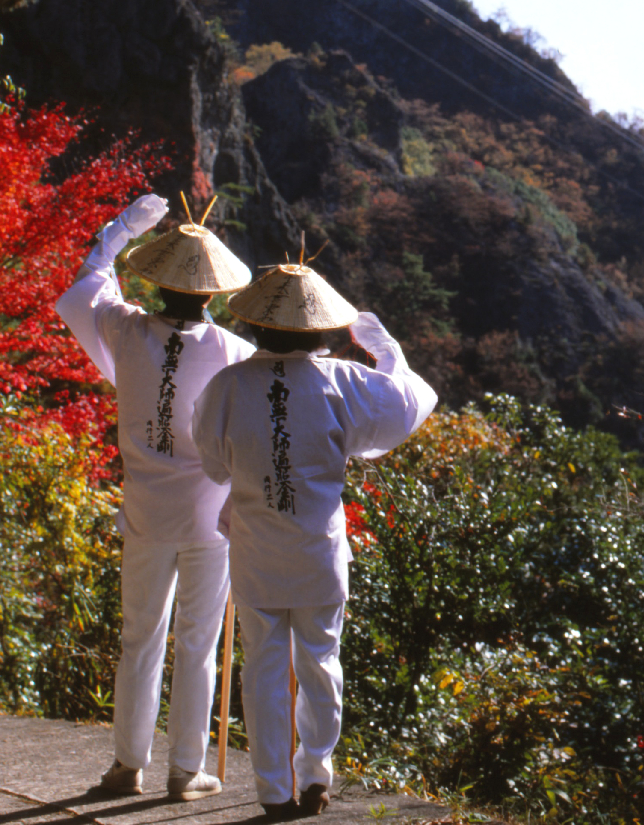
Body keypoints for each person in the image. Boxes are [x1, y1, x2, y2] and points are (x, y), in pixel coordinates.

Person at [191, 263, 438, 819]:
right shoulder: (341, 382)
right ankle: (316, 778)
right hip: (320, 551)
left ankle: (272, 789)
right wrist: (385, 348)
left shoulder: (226, 386)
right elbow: (407, 402)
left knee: (263, 668)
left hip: (255, 549)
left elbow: (212, 466)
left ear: (256, 325)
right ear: (322, 330)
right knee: (321, 663)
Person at [55, 191, 254, 802]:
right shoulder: (232, 354)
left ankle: (125, 765)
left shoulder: (126, 328)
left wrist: (117, 233)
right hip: (209, 517)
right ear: (212, 293)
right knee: (198, 644)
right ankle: (184, 769)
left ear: (157, 285)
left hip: (144, 511)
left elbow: (85, 288)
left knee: (139, 639)